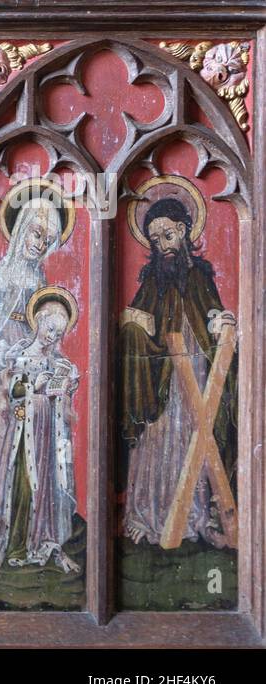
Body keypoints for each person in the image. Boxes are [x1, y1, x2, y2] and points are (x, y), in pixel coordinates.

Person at [120, 183, 236, 549]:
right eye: (155, 240)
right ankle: (148, 515)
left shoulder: (200, 276)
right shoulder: (153, 278)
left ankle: (197, 516)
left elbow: (211, 314)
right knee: (157, 442)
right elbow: (138, 318)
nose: (162, 245)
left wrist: (221, 320)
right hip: (159, 378)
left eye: (167, 235)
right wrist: (134, 322)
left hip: (197, 370)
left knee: (195, 436)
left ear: (184, 231)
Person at [0, 192, 65, 540]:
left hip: (32, 380)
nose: (40, 244)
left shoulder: (41, 286)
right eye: (36, 234)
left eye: (47, 240)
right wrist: (0, 357)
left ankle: (25, 527)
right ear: (20, 229)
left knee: (32, 451)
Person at [0, 289, 80, 572]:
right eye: (50, 329)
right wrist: (35, 386)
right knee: (20, 486)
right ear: (39, 321)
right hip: (22, 434)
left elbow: (63, 403)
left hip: (45, 432)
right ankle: (14, 545)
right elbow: (12, 391)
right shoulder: (19, 354)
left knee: (41, 488)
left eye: (58, 334)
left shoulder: (56, 362)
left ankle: (36, 541)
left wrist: (64, 387)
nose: (52, 337)